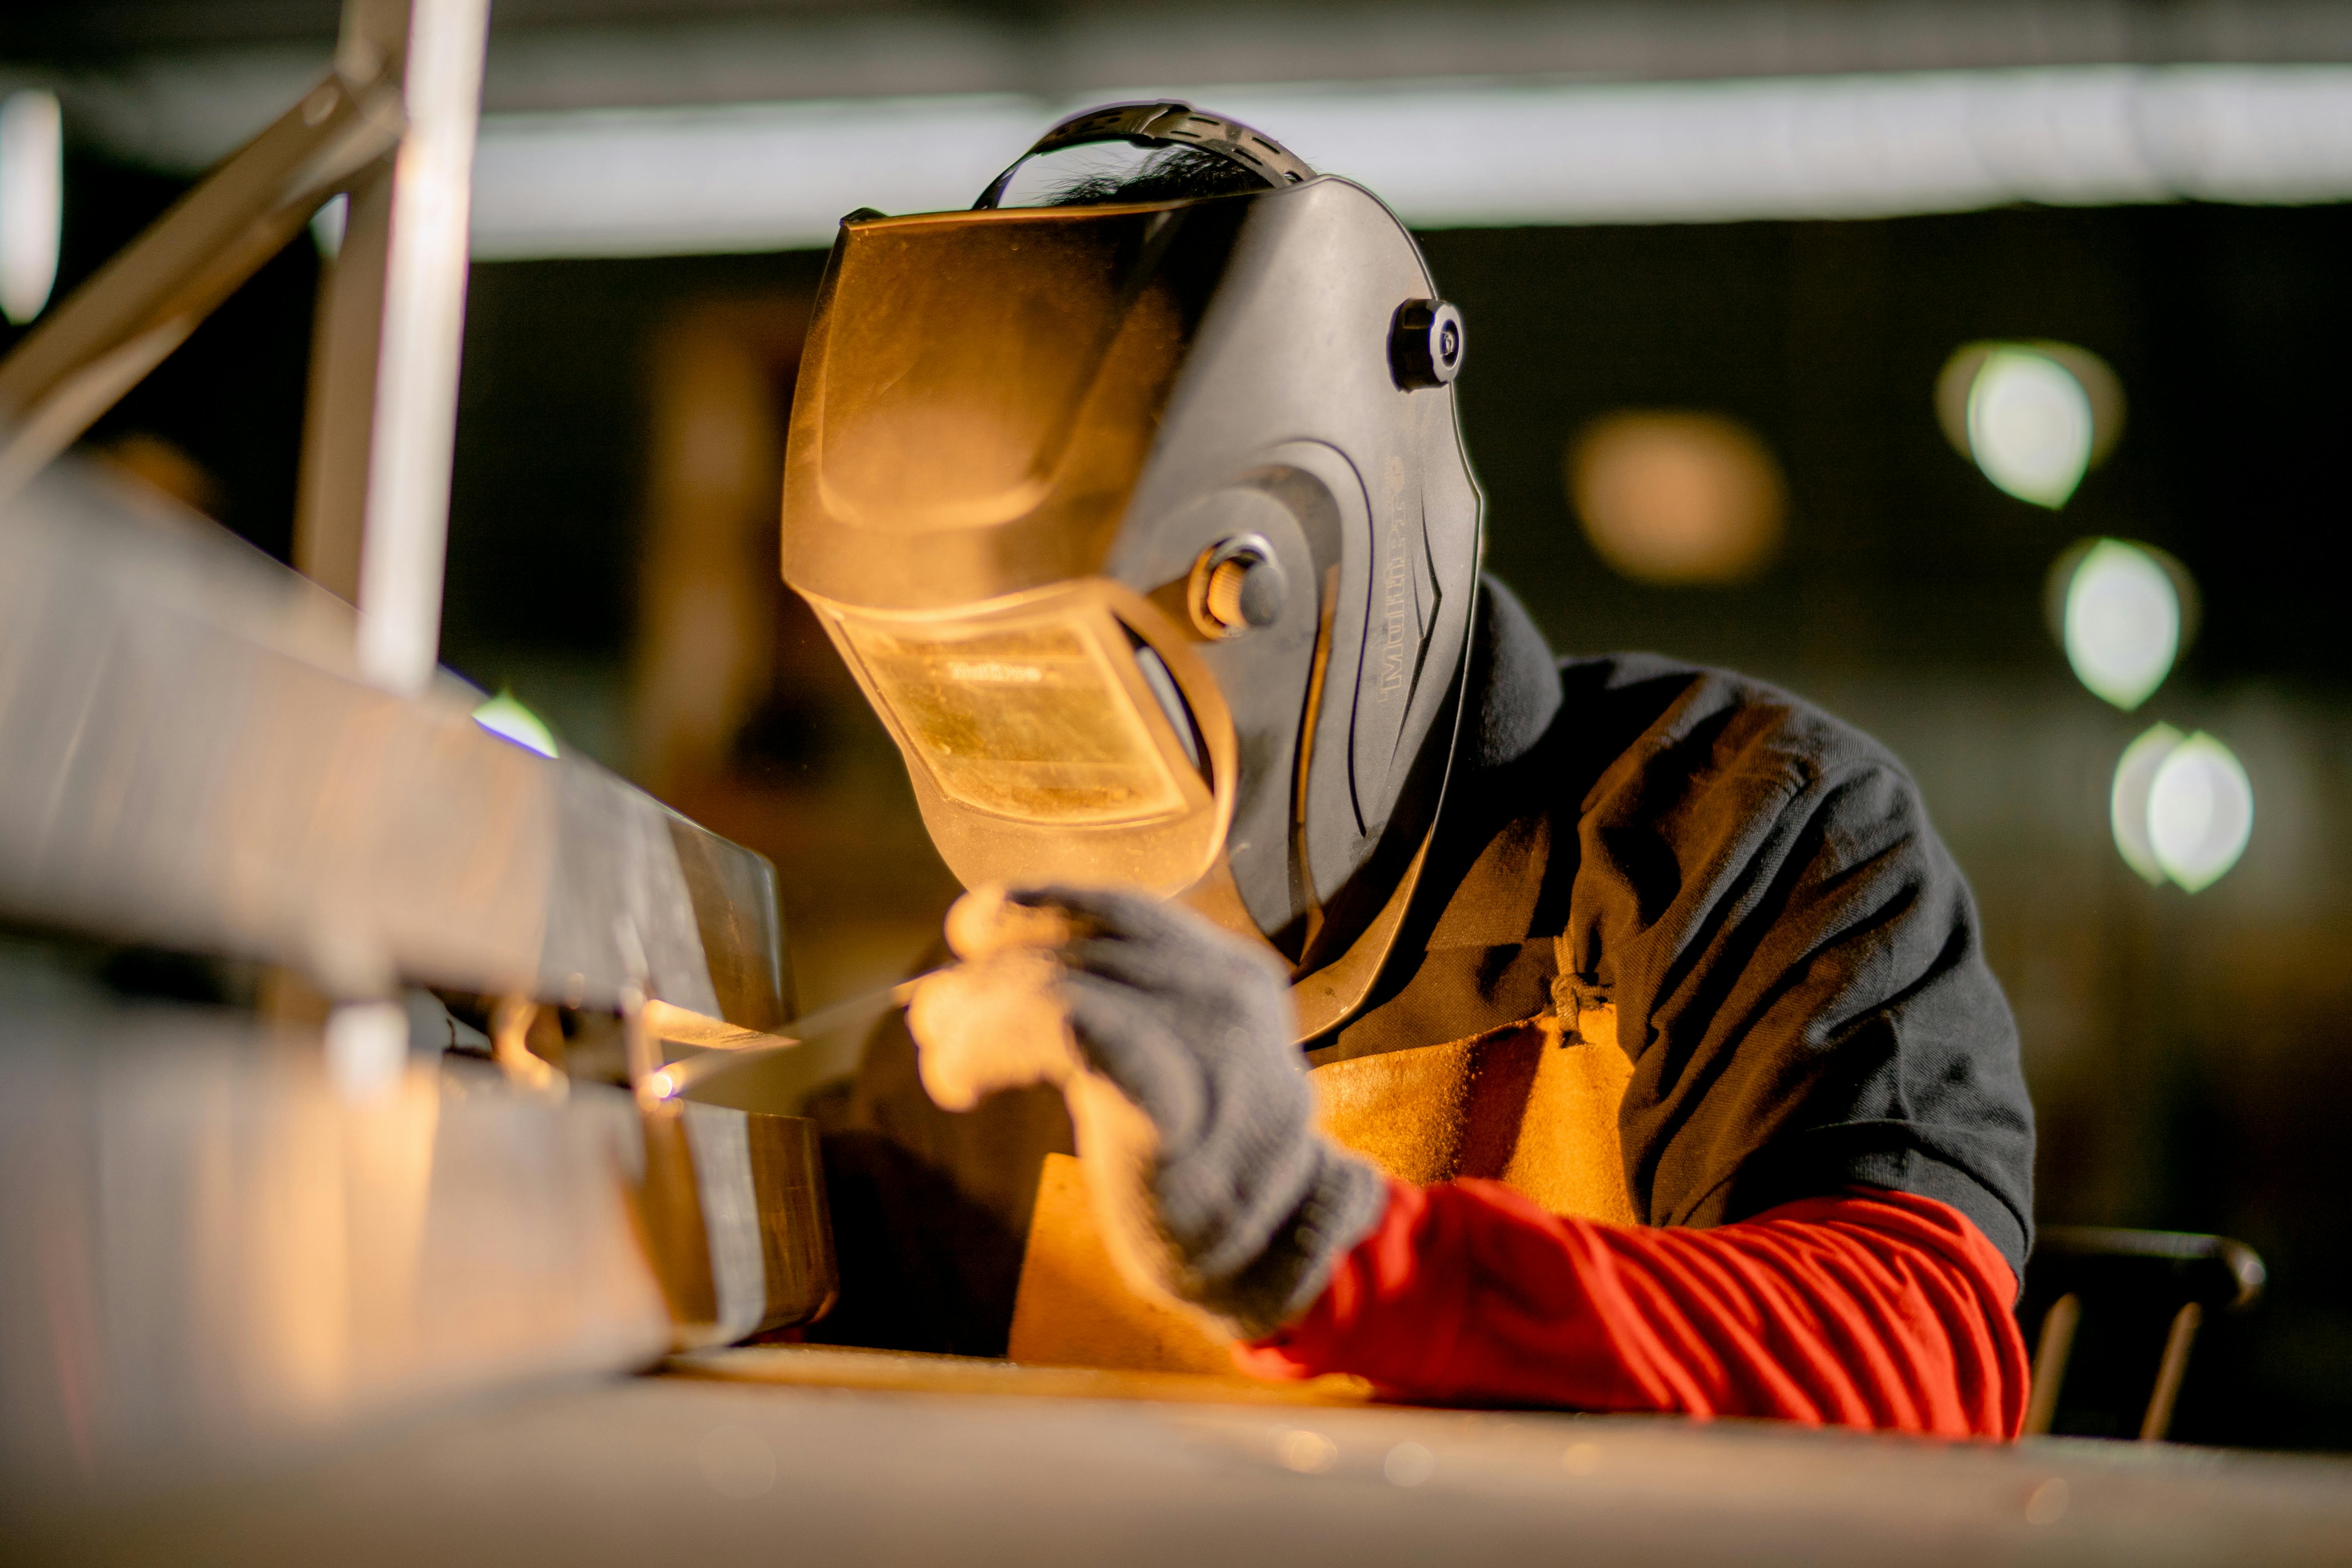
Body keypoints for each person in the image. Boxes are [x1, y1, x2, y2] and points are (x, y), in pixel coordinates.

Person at [782, 103, 2036, 1438]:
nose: (1064, 781)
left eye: (1100, 665)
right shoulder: (1025, 1000)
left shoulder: (1738, 837)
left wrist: (1305, 1242)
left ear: (1287, 570)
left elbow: (1913, 1357)